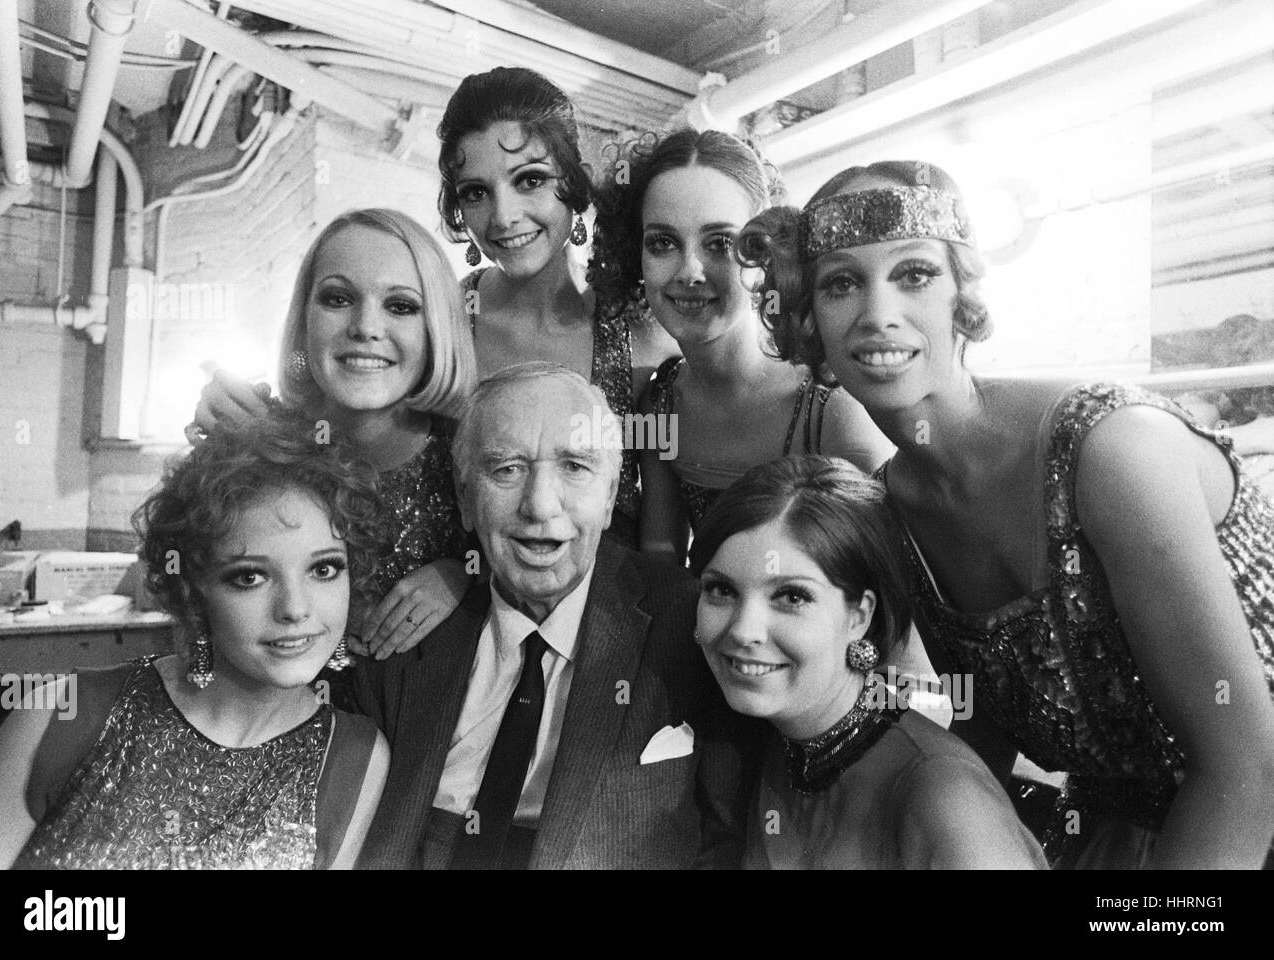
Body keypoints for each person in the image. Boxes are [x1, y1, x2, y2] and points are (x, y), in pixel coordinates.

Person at [738, 160, 1274, 869]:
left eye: (914, 274)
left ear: (963, 297)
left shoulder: (1112, 451)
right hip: (1117, 834)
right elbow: (982, 729)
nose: (878, 314)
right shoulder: (894, 510)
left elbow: (1246, 772)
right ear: (811, 323)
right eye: (841, 283)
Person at [351, 363, 748, 869]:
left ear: (609, 498)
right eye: (506, 469)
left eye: (575, 467)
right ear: (465, 498)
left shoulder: (693, 624)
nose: (539, 506)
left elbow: (729, 840)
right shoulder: (406, 634)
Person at [0, 410, 390, 869]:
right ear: (194, 589)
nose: (295, 608)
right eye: (250, 576)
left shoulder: (355, 757)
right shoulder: (62, 710)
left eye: (324, 569)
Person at [689, 455, 1046, 869]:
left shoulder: (945, 799)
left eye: (791, 597)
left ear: (859, 616)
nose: (743, 630)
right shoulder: (767, 739)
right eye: (721, 590)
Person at [590, 128, 891, 564]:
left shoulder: (835, 407)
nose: (689, 271)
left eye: (719, 244)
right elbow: (661, 562)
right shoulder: (656, 406)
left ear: (764, 253)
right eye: (662, 243)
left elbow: (885, 588)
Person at [191, 209, 478, 660]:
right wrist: (213, 456)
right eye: (338, 298)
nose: (365, 327)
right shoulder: (260, 443)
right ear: (305, 319)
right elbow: (190, 611)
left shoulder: (471, 454)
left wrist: (465, 575)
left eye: (400, 306)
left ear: (436, 329)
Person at [437, 66, 679, 545]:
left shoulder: (646, 334)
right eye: (477, 192)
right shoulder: (443, 323)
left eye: (529, 181)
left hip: (612, 606)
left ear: (575, 182)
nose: (504, 217)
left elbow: (662, 536)